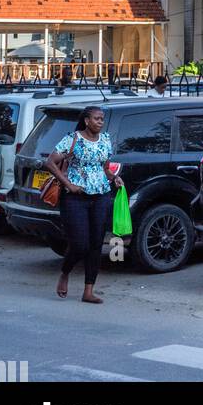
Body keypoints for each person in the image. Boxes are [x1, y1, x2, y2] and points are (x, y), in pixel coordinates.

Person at [46, 104, 122, 304]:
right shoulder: (73, 139)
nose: (100, 122)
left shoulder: (105, 140)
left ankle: (88, 291)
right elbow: (50, 162)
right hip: (75, 198)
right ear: (87, 121)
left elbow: (104, 168)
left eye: (102, 119)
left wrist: (114, 177)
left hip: (101, 197)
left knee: (96, 244)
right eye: (97, 118)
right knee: (80, 244)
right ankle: (65, 272)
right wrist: (68, 184)